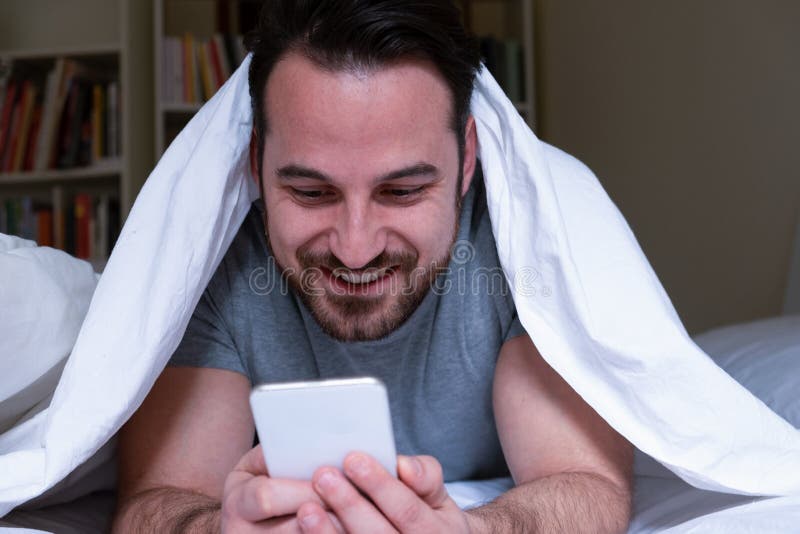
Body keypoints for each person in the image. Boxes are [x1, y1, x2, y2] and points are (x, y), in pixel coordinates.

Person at [113, 1, 633, 532]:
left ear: (466, 160)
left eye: (402, 191)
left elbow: (586, 483)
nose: (355, 249)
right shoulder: (210, 260)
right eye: (311, 192)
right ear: (254, 163)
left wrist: (472, 531)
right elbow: (156, 501)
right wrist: (219, 530)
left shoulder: (526, 248)